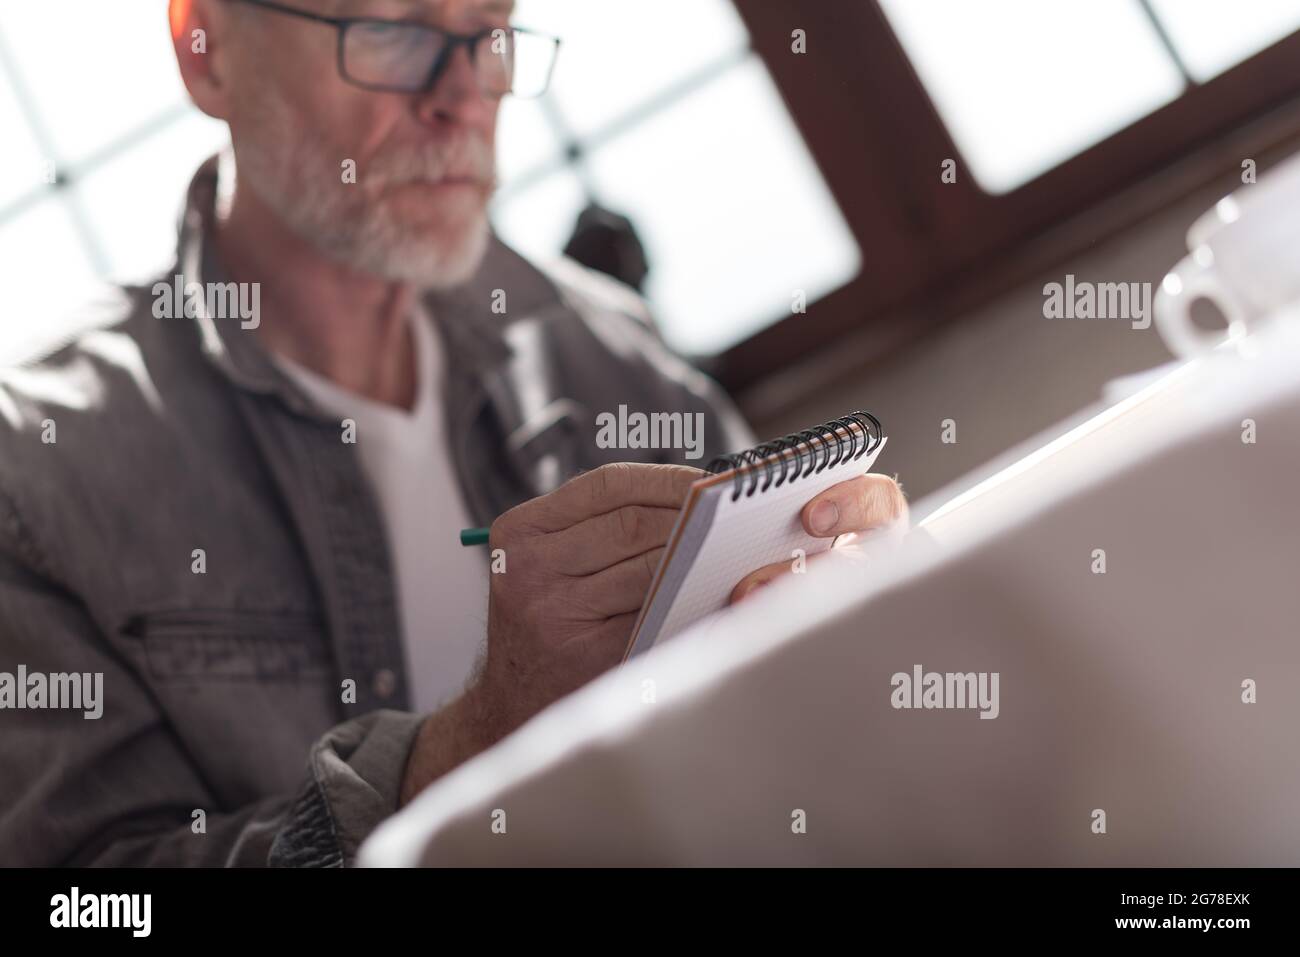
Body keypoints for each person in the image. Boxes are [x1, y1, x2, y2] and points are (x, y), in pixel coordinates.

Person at [0, 0, 907, 866]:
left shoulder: (617, 362)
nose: (465, 96)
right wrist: (468, 744)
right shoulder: (36, 471)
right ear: (207, 50)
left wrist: (860, 628)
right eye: (390, 31)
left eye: (491, 31)